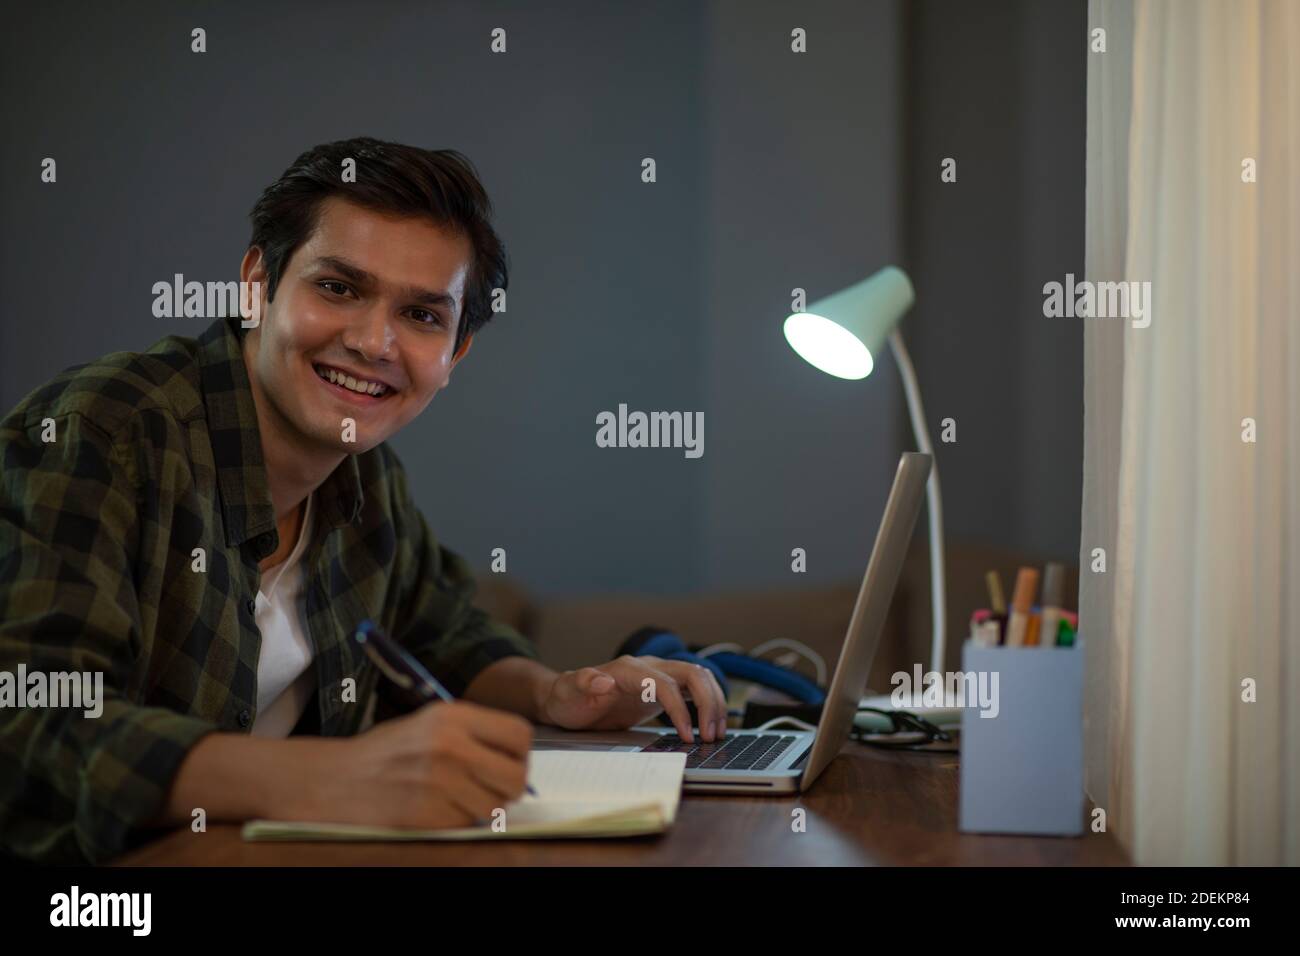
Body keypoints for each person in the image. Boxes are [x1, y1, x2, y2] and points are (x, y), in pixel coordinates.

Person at [0, 137, 726, 864]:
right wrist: (335, 778)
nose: (374, 342)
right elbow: (39, 713)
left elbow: (447, 635)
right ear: (256, 283)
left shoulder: (368, 478)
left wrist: (558, 695)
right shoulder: (100, 432)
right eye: (338, 288)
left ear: (455, 354)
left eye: (422, 316)